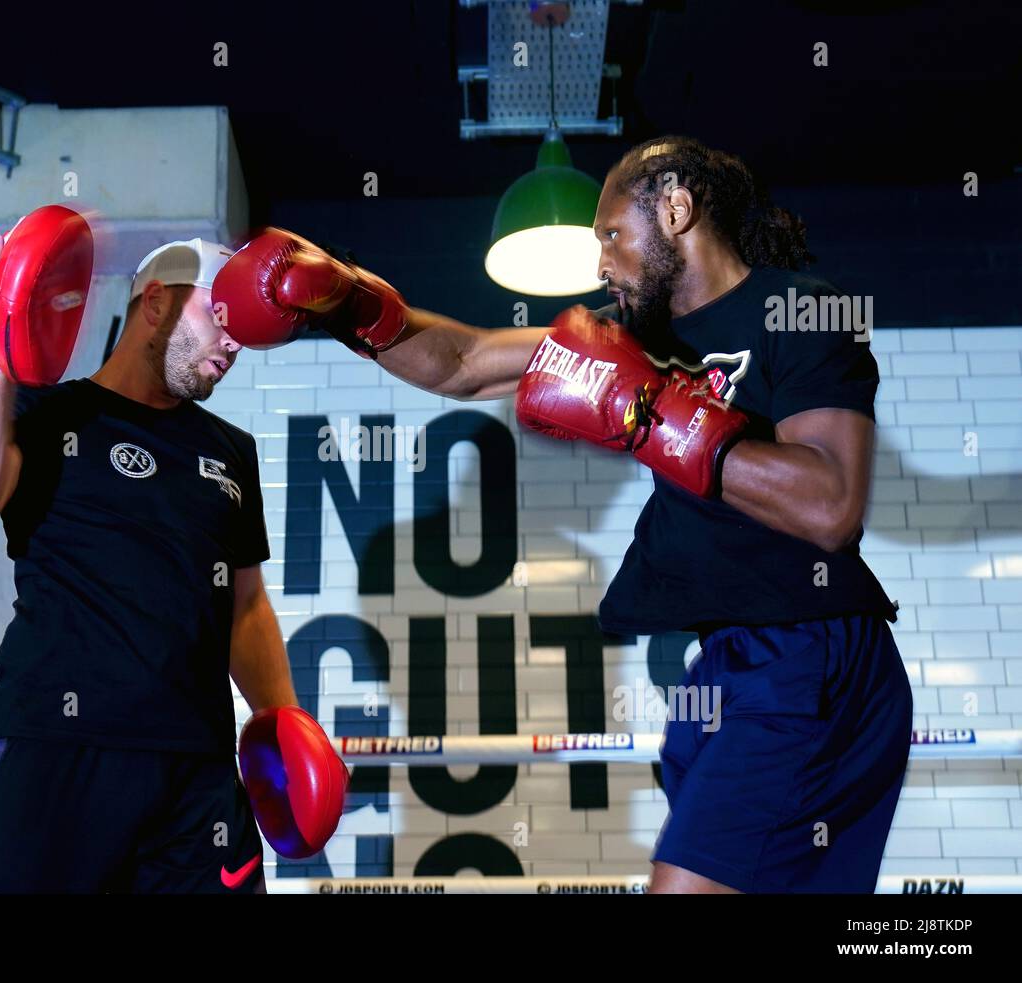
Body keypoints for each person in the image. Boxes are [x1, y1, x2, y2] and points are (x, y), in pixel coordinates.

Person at [213, 136, 913, 894]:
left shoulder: (796, 308)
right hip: (725, 665)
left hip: (811, 651)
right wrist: (350, 301)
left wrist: (647, 414)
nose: (602, 262)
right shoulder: (633, 338)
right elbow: (464, 360)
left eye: (611, 233)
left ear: (676, 208)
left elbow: (831, 505)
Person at [0, 224, 321, 893]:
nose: (234, 344)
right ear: (157, 301)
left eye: (243, 334)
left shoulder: (231, 450)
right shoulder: (48, 410)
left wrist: (282, 722)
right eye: (221, 317)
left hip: (196, 773)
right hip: (57, 748)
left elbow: (246, 605)